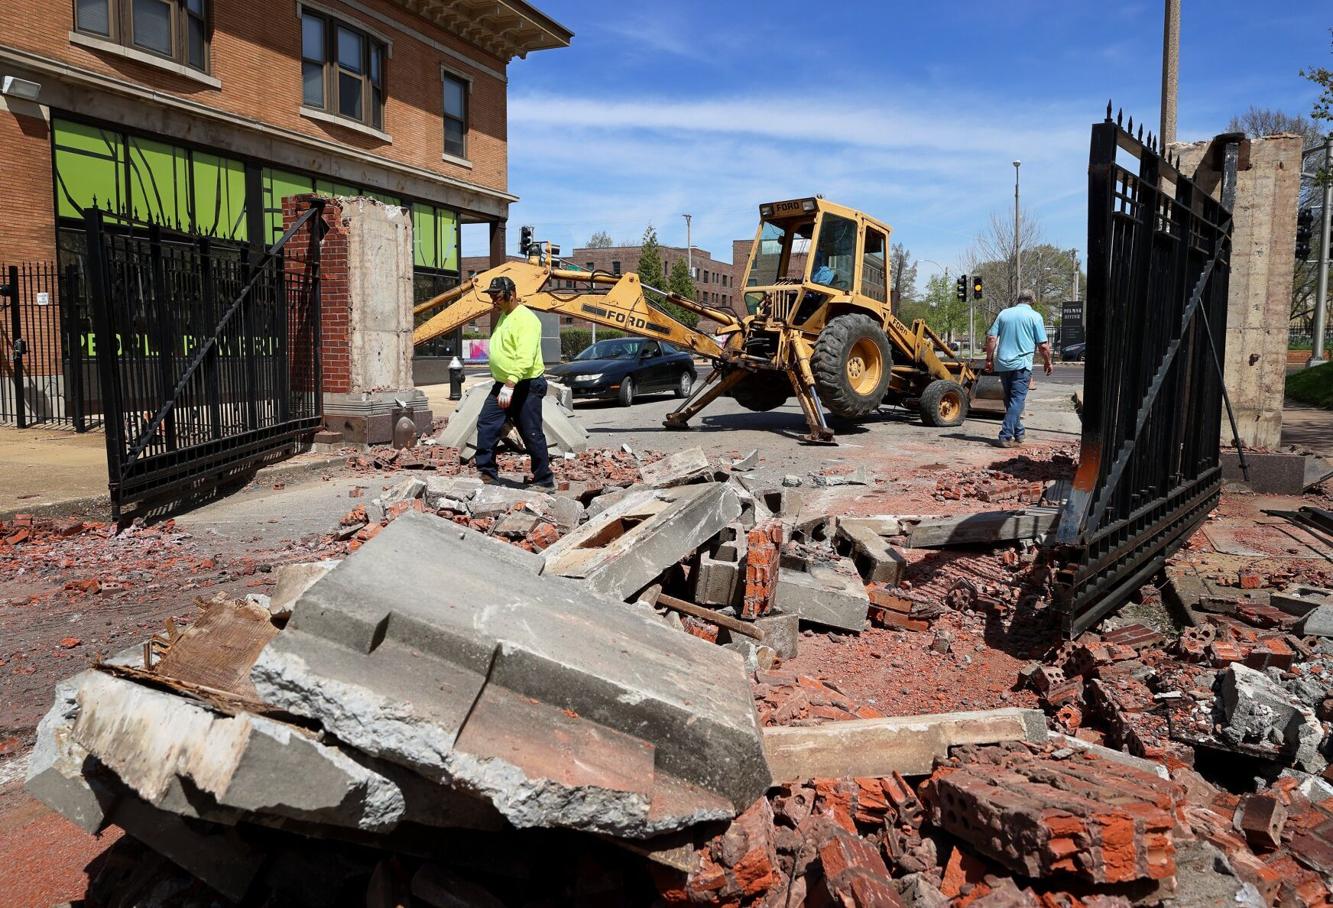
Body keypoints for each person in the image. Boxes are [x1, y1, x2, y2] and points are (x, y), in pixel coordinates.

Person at [474, 275, 555, 489]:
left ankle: (544, 480)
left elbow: (525, 356)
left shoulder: (526, 320)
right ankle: (487, 474)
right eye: (491, 296)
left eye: (497, 296)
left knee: (531, 432)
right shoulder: (505, 316)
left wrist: (510, 384)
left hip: (525, 385)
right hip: (504, 384)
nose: (493, 301)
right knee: (487, 423)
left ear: (512, 295)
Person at [984, 289, 1053, 448]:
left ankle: (1019, 432)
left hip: (1003, 364)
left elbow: (991, 338)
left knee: (1010, 400)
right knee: (1017, 401)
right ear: (1033, 301)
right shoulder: (1035, 316)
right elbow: (1043, 345)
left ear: (1018, 299)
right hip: (1021, 365)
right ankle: (1005, 435)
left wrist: (989, 359)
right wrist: (1048, 362)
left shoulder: (1004, 314)